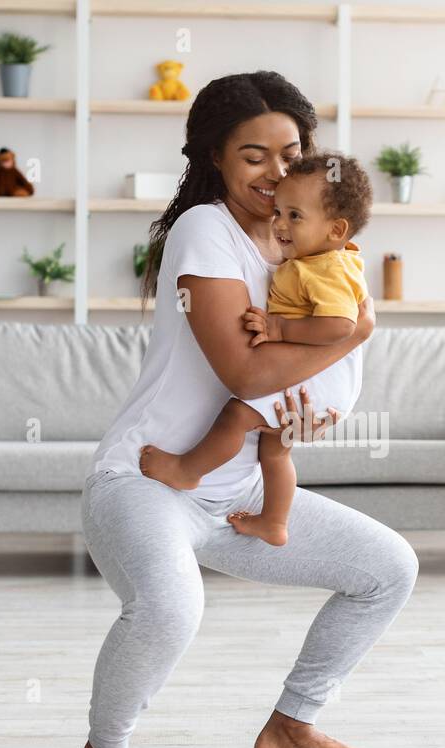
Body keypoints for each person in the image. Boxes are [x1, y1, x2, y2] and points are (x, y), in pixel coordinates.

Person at [80, 71, 419, 748]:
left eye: (289, 152)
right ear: (214, 159)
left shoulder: (304, 242)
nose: (273, 174)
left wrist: (300, 413)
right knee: (171, 609)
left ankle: (290, 725)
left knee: (388, 568)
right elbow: (245, 369)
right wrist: (352, 336)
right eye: (252, 156)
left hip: (236, 491)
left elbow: (284, 379)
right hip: (146, 480)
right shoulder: (206, 230)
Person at [138, 150, 374, 547]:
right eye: (279, 211)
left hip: (318, 377)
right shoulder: (325, 260)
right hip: (323, 380)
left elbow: (341, 326)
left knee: (236, 416)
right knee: (276, 451)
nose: (279, 224)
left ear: (336, 230)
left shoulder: (326, 269)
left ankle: (187, 470)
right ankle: (274, 521)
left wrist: (279, 327)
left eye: (294, 216)